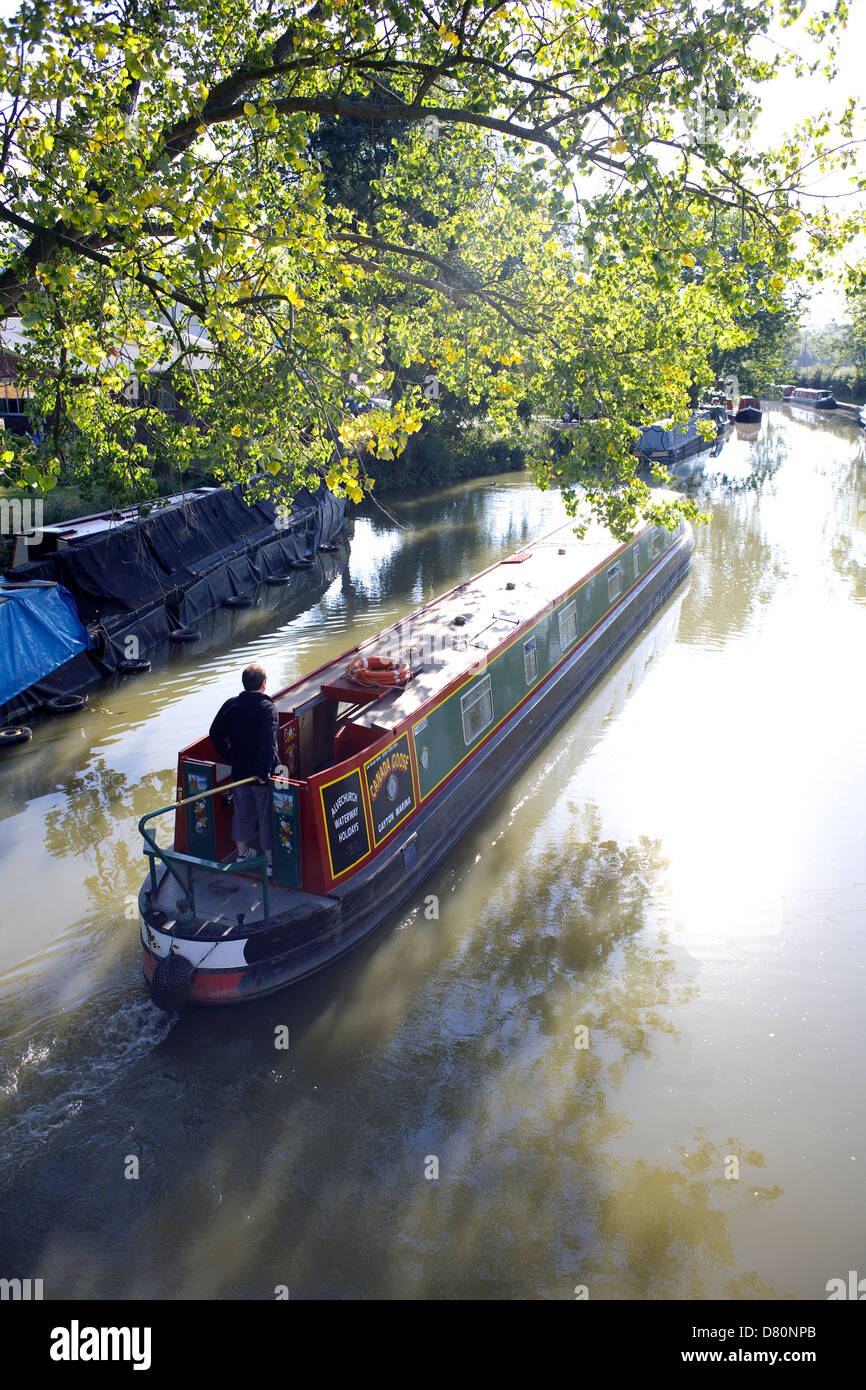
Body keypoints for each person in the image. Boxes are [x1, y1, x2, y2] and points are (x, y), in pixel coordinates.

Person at [209, 664, 279, 875]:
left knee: (242, 812)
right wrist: (264, 772)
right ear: (264, 684)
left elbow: (214, 733)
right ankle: (269, 863)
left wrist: (229, 756)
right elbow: (269, 743)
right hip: (261, 776)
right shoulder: (268, 709)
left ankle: (242, 853)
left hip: (239, 771)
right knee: (265, 815)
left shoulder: (231, 705)